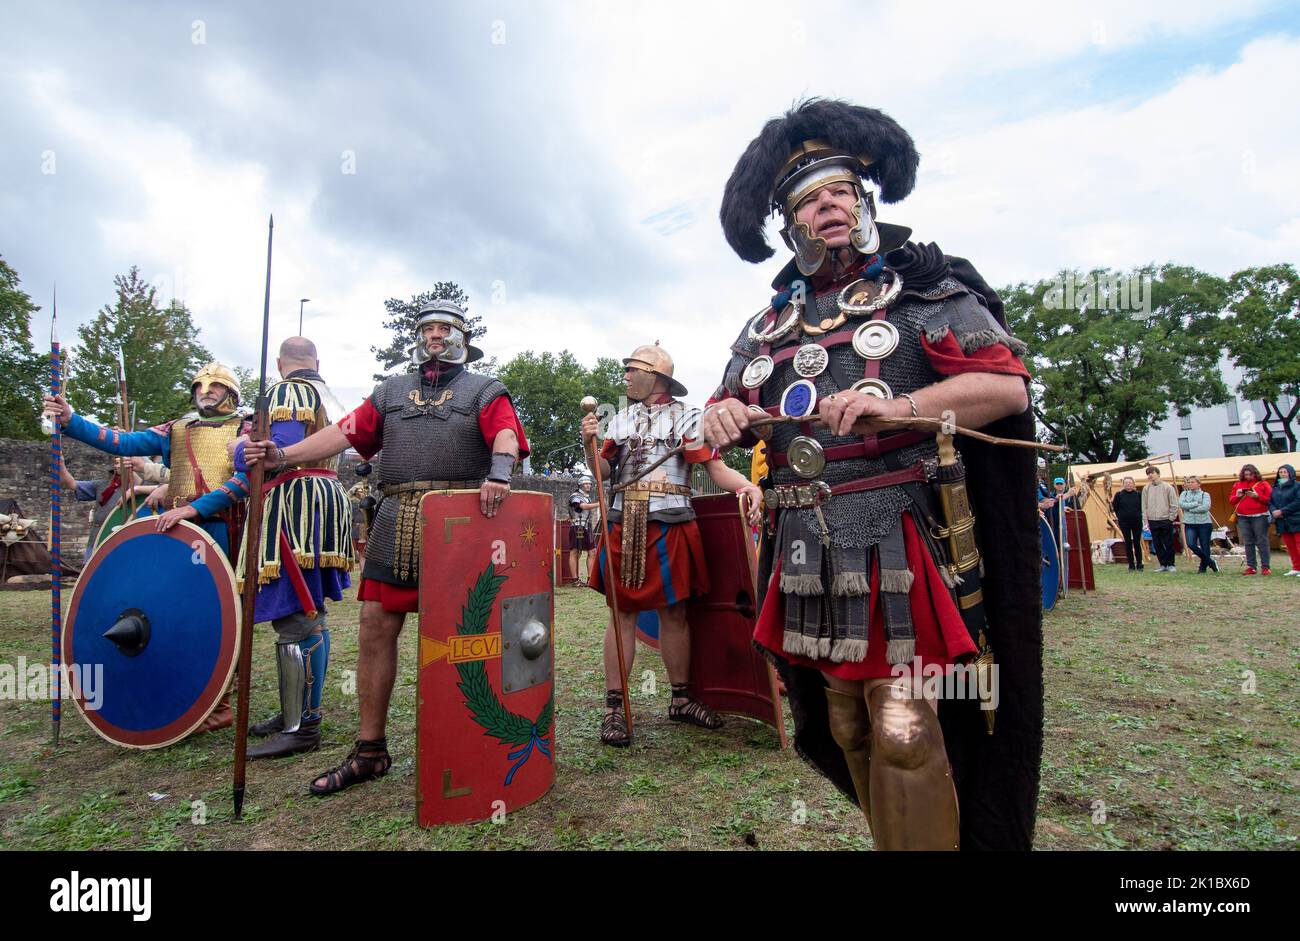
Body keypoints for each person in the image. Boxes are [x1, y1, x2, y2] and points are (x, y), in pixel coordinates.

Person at [701, 99, 1042, 849]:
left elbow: (1007, 387)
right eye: (807, 200)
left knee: (901, 726)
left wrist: (905, 406)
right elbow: (726, 400)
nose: (827, 206)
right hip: (801, 540)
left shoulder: (924, 288)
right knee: (846, 722)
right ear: (790, 223)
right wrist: (719, 416)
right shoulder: (769, 325)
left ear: (864, 201)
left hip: (899, 532)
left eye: (839, 192)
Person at [243, 300, 527, 793]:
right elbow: (342, 432)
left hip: (458, 521)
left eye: (444, 327)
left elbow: (505, 431)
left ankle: (472, 740)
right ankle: (370, 750)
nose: (434, 335)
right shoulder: (391, 392)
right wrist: (282, 455)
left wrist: (500, 472)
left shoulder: (485, 389)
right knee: (375, 629)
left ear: (460, 336)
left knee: (467, 631)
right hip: (395, 517)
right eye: (426, 328)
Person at [43, 362, 252, 732]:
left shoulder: (246, 429)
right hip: (176, 531)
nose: (206, 390)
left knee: (219, 612)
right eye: (201, 386)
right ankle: (187, 689)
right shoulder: (176, 429)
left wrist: (195, 507)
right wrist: (72, 420)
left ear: (231, 393)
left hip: (222, 529)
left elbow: (244, 480)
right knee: (173, 613)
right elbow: (121, 441)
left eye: (216, 386)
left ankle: (218, 703)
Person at [580, 343, 763, 747]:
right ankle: (615, 708)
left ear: (656, 376)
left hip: (670, 521)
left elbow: (713, 466)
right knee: (620, 614)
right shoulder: (621, 420)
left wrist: (748, 485)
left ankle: (681, 699)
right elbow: (603, 472)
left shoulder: (688, 418)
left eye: (633, 370)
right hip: (622, 520)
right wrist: (589, 444)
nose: (626, 377)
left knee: (675, 614)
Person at [231, 337, 355, 759]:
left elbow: (269, 454)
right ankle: (299, 712)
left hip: (294, 505)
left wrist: (238, 450)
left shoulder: (286, 392)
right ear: (316, 361)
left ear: (281, 363)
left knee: (296, 612)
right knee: (311, 612)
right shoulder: (331, 396)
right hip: (327, 499)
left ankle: (301, 723)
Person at [1229, 463, 1272, 575]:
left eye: (1250, 474)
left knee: (1262, 541)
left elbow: (1270, 500)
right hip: (1243, 516)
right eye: (1245, 474)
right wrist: (1238, 495)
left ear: (1255, 473)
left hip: (1260, 515)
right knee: (1248, 542)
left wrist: (1257, 497)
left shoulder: (1263, 484)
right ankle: (1251, 567)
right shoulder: (1237, 484)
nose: (1248, 476)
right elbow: (1231, 501)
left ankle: (1265, 567)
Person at [1141, 465, 1180, 573]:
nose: (1150, 475)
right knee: (1157, 543)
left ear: (1158, 473)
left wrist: (1171, 518)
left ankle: (1171, 564)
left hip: (1165, 519)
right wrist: (1145, 520)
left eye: (1152, 473)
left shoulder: (1168, 487)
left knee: (1168, 542)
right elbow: (1144, 505)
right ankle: (1163, 564)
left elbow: (1174, 504)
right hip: (1153, 520)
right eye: (1148, 474)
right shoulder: (1146, 488)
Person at [1178, 475, 1217, 574]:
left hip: (1204, 523)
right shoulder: (1184, 493)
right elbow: (1181, 504)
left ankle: (1202, 567)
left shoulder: (1205, 494)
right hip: (1190, 523)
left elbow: (1205, 507)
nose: (1190, 484)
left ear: (1198, 484)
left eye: (1192, 482)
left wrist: (1189, 509)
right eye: (1189, 482)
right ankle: (1210, 562)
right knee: (1191, 544)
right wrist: (1195, 504)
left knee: (1205, 545)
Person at [566, 476, 598, 586]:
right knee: (575, 552)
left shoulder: (587, 497)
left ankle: (590, 579)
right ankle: (575, 580)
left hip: (587, 527)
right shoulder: (575, 497)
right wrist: (599, 504)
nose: (588, 485)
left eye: (589, 483)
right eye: (585, 484)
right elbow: (582, 506)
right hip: (576, 526)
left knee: (592, 551)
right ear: (580, 485)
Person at [1270, 463, 1300, 576]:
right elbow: (1270, 502)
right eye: (1281, 472)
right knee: (1290, 545)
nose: (1282, 474)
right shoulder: (1275, 487)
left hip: (1296, 519)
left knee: (1299, 544)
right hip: (1282, 521)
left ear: (1290, 473)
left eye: (1285, 472)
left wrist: (1282, 511)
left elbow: (1298, 502)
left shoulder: (1297, 486)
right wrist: (1274, 511)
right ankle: (1296, 567)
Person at [1111, 476, 1144, 571]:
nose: (1128, 484)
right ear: (1123, 484)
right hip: (1124, 522)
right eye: (1126, 483)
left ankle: (1139, 564)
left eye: (1130, 482)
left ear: (1133, 484)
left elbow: (1142, 506)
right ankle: (1131, 564)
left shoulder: (1138, 494)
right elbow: (1115, 507)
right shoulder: (1119, 495)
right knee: (1128, 543)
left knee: (1137, 542)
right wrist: (1121, 516)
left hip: (1137, 521)